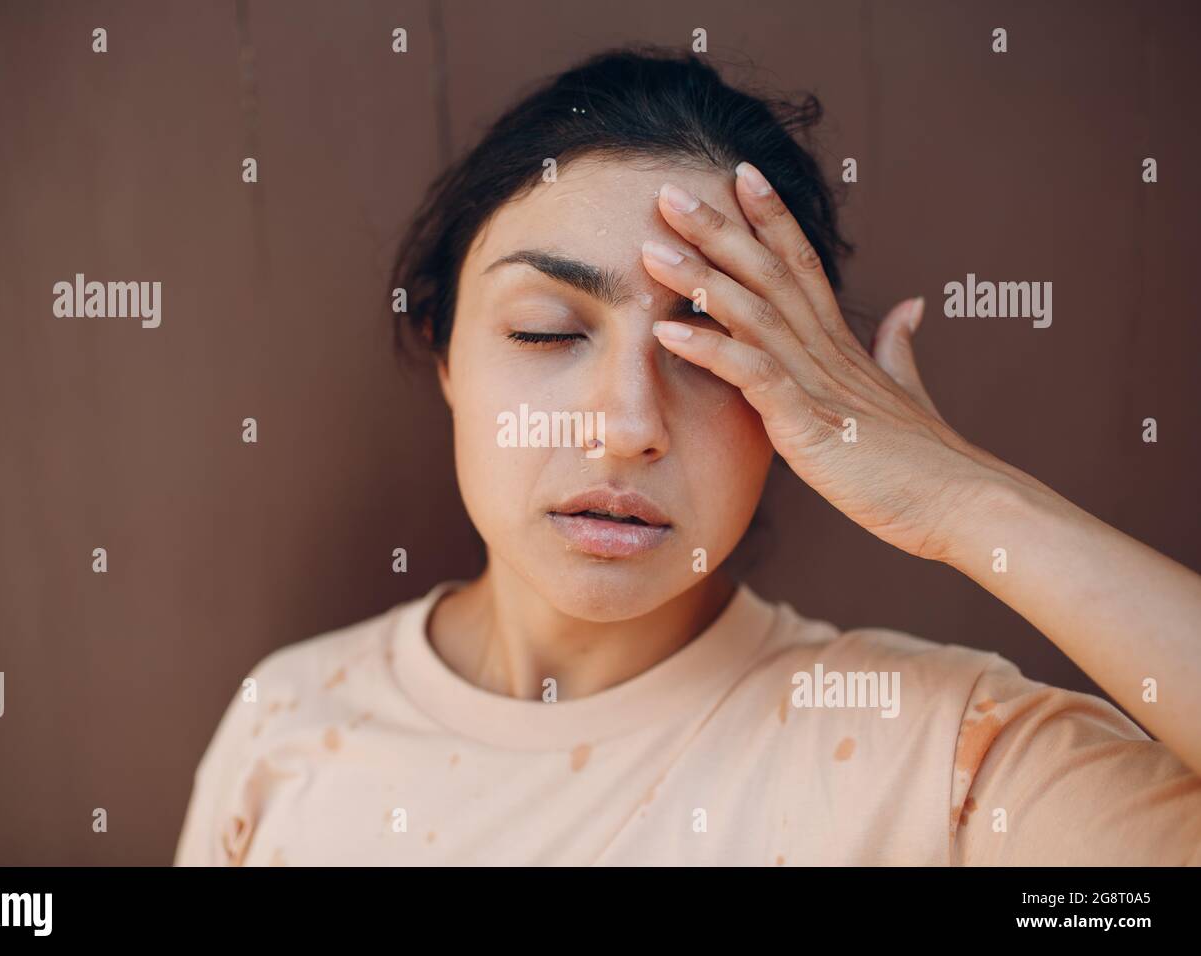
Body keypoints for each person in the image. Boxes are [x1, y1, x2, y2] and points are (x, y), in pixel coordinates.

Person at [173, 47, 1201, 866]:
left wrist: (966, 501)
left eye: (706, 342)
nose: (625, 422)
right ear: (445, 353)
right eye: (544, 331)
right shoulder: (291, 723)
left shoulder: (938, 757)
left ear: (794, 393)